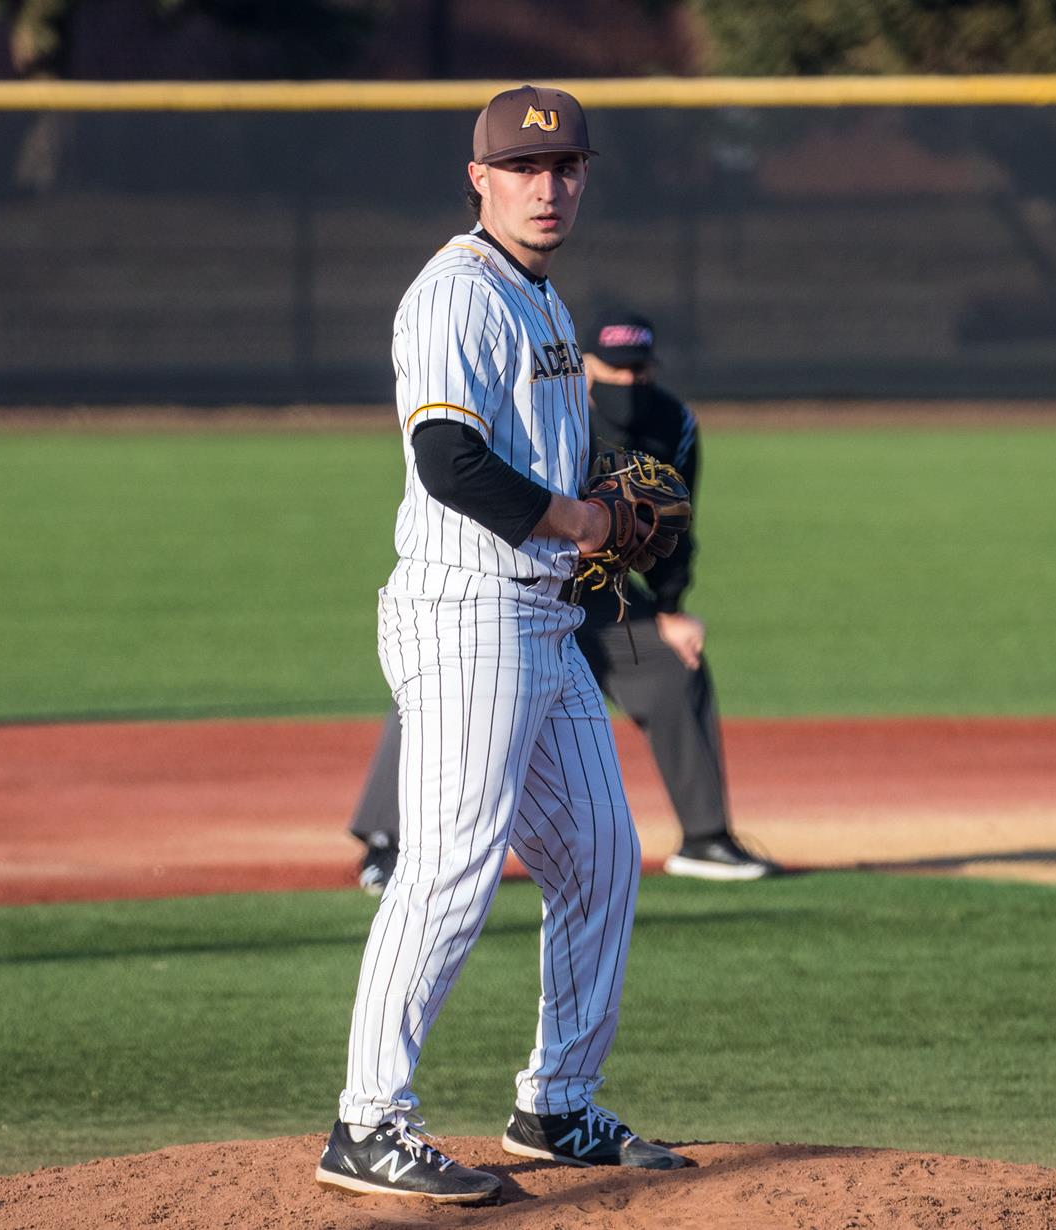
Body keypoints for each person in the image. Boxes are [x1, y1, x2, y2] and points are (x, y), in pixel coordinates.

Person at [314, 85, 690, 1206]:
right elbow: (449, 465)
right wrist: (580, 520)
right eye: (525, 169)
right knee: (450, 862)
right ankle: (366, 1122)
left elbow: (550, 473)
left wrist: (591, 517)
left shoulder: (545, 304)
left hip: (538, 618)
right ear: (477, 178)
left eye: (566, 167)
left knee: (602, 861)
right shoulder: (454, 297)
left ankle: (555, 1104)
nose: (548, 185)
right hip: (466, 611)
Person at [349, 308, 780, 895]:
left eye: (638, 370)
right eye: (614, 369)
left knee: (674, 665)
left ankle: (705, 838)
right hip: (514, 583)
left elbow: (676, 526)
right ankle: (388, 844)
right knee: (448, 683)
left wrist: (673, 609)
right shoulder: (555, 406)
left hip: (601, 596)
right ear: (587, 365)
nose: (627, 382)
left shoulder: (674, 422)